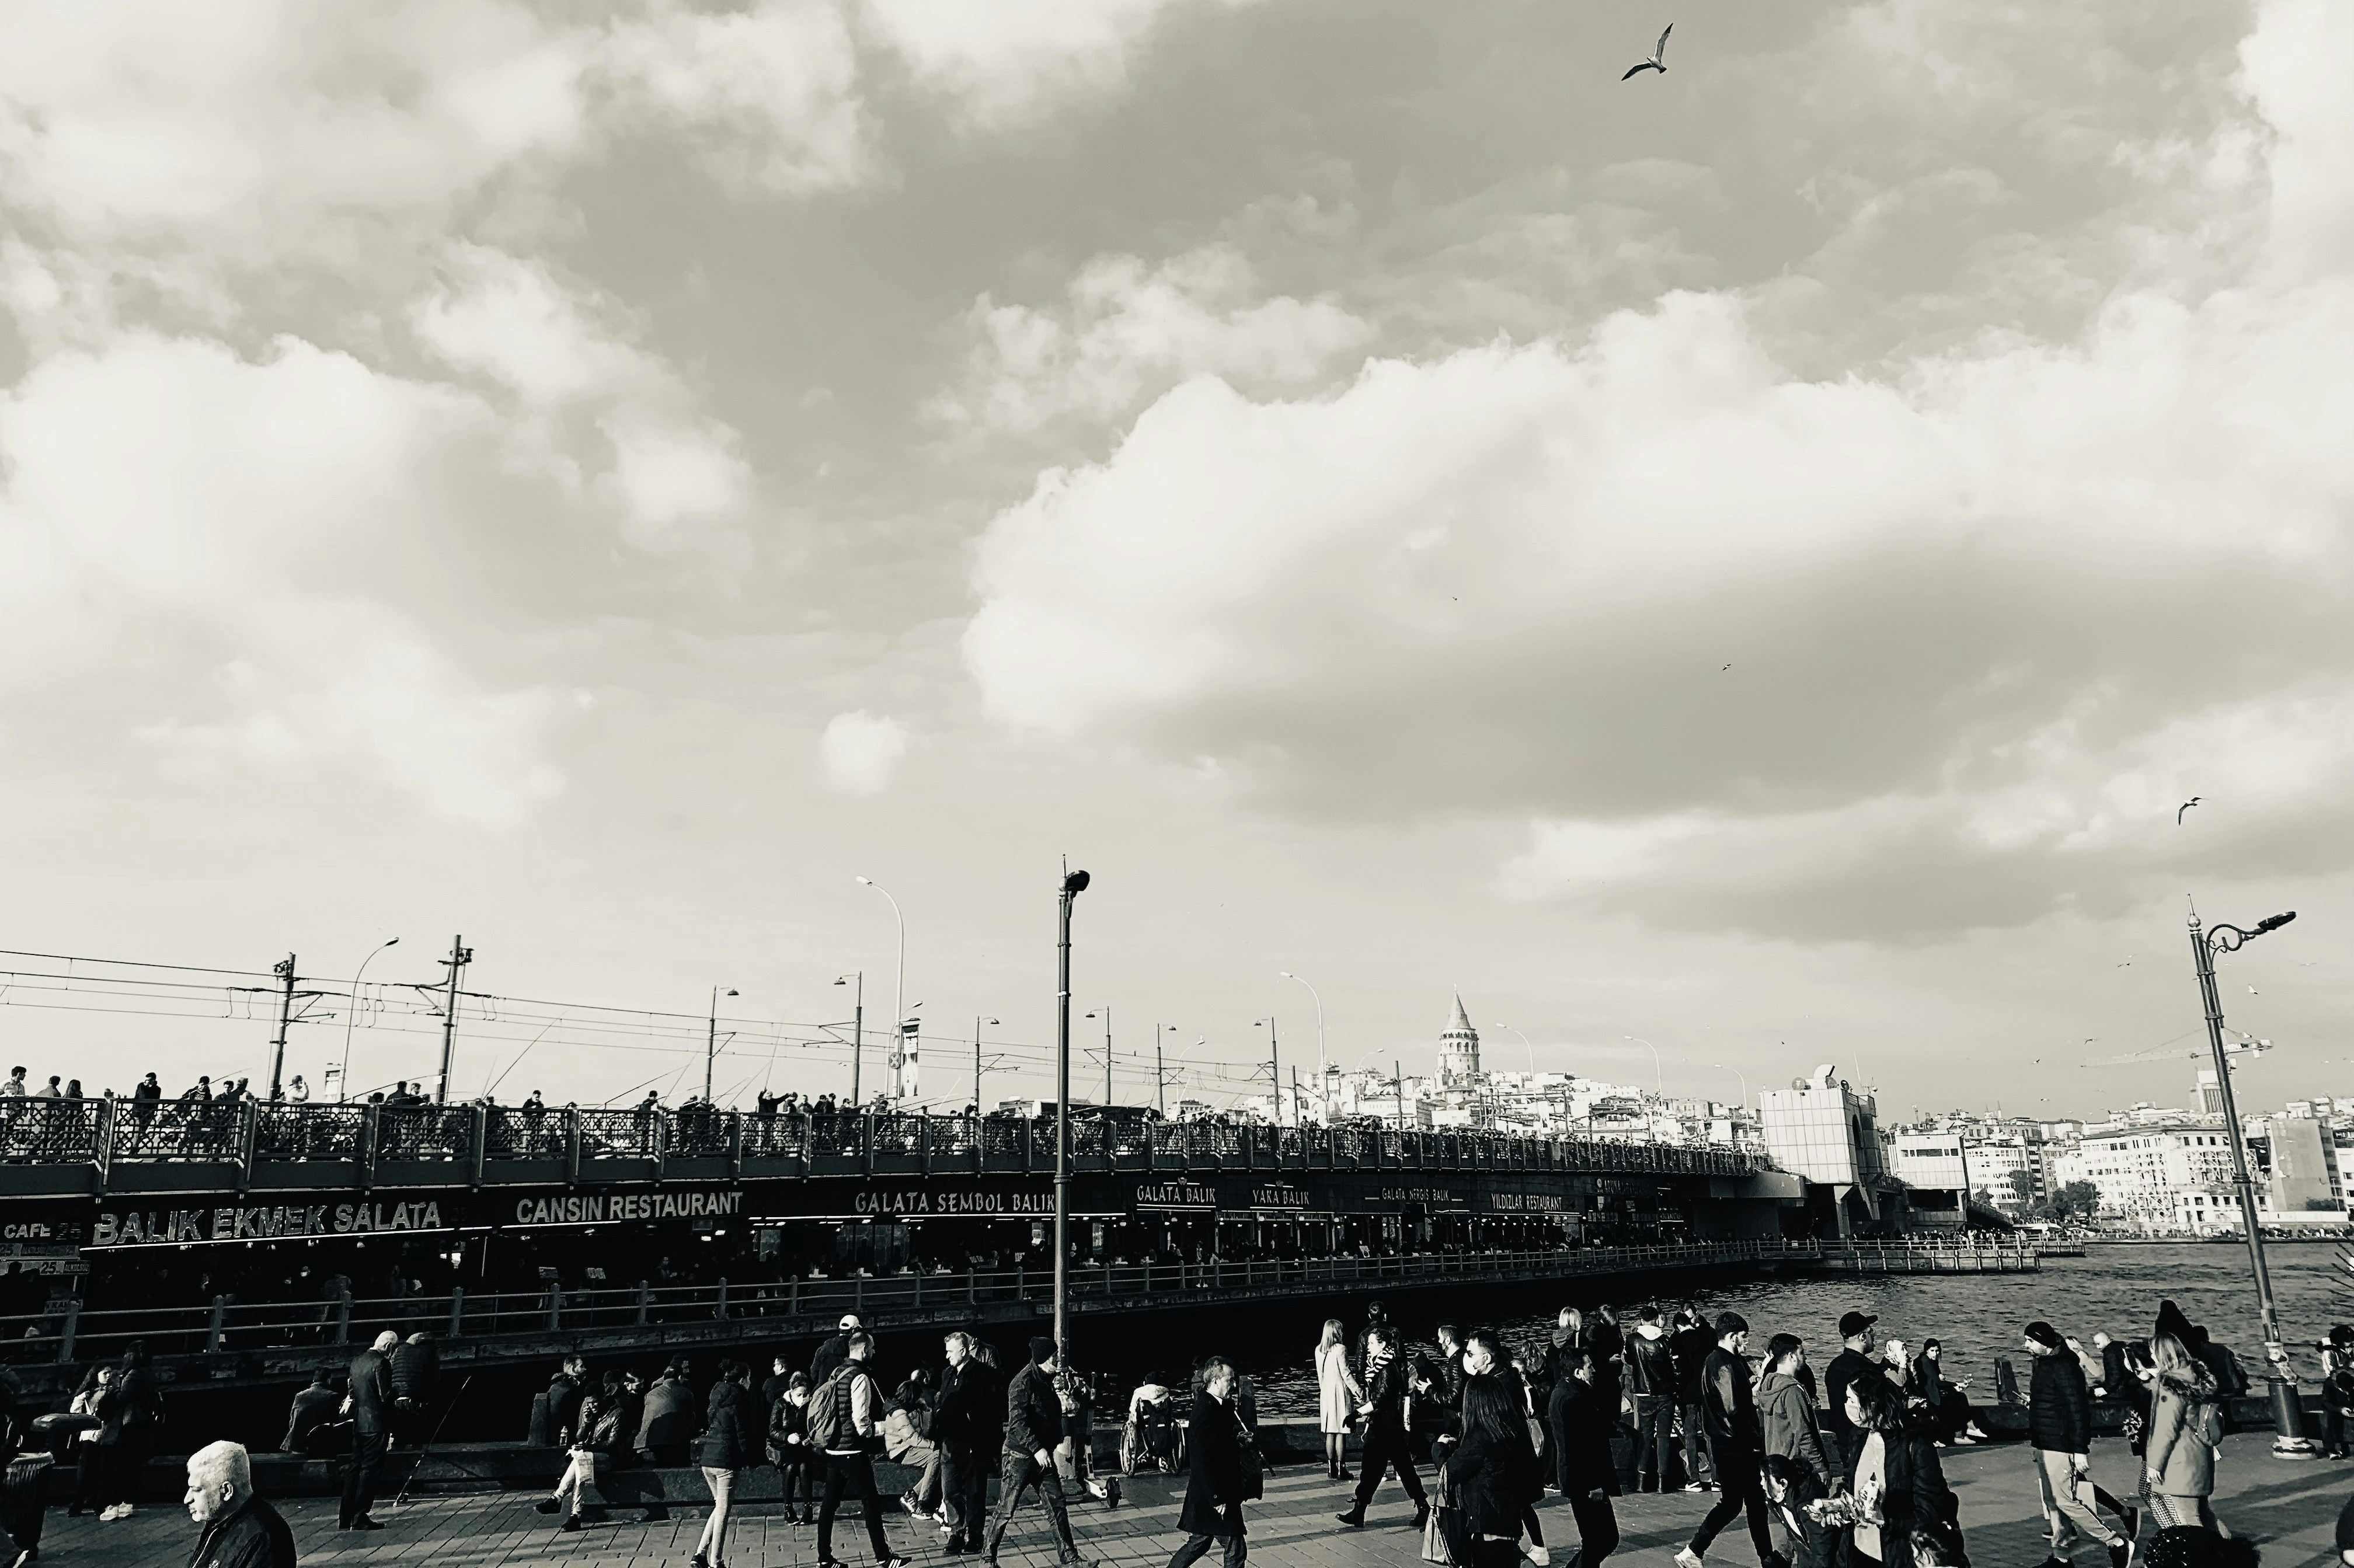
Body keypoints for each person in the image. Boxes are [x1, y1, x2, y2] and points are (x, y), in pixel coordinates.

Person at [1674, 1312, 1775, 1568]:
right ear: (1732, 1337)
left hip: (1726, 1444)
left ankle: (1697, 1550)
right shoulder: (1727, 1364)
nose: (1747, 1342)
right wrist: (1753, 1439)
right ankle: (1763, 1556)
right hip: (1737, 1445)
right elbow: (1733, 1408)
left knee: (1739, 1504)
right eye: (1744, 1337)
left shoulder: (1715, 1361)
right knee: (1746, 1503)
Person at [2025, 1320, 2129, 1568]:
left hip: (2060, 1444)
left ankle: (2115, 1542)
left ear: (2044, 1343)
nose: (2025, 1345)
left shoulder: (2064, 1367)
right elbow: (2055, 1403)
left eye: (2030, 1340)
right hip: (2044, 1442)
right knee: (2053, 1503)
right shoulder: (2044, 1364)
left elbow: (2078, 1410)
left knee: (2065, 1501)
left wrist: (2080, 1449)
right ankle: (2061, 1557)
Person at [986, 1336, 1094, 1568]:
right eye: (1054, 1356)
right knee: (1005, 1511)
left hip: (1043, 1457)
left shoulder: (1048, 1378)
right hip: (1021, 1458)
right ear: (1043, 1359)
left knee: (1057, 1507)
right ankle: (988, 1559)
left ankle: (1071, 1559)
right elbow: (1017, 1423)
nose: (1059, 1359)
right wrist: (1037, 1449)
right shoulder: (1022, 1382)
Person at [1843, 1372, 1966, 1568]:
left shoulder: (1915, 1446)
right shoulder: (1860, 1437)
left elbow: (1929, 1513)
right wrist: (1837, 1507)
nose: (1846, 1406)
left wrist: (1887, 1520)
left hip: (1899, 1555)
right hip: (1859, 1551)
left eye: (1851, 1400)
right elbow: (1850, 1483)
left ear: (1872, 1405)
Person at [813, 1330, 905, 1568]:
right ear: (864, 1350)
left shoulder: (837, 1372)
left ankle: (824, 1558)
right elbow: (860, 1421)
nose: (874, 1353)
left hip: (833, 1448)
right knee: (871, 1502)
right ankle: (883, 1557)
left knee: (829, 1504)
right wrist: (884, 1428)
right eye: (872, 1349)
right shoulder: (860, 1377)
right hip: (852, 1450)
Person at [1446, 1363, 1542, 1568]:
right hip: (1510, 1520)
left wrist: (1439, 1450)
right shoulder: (1512, 1431)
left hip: (1486, 1522)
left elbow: (1451, 1471)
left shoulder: (1479, 1437)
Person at [1336, 1323, 1427, 1528]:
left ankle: (1423, 1507)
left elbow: (1380, 1399)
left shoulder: (1387, 1368)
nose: (1367, 1346)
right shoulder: (1379, 1365)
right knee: (1372, 1468)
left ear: (1383, 1344)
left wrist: (1356, 1413)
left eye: (1371, 1343)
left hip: (1388, 1426)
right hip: (1381, 1424)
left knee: (1401, 1468)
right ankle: (1359, 1511)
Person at [1168, 1356, 1252, 1568]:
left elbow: (1219, 1446)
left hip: (1212, 1490)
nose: (1233, 1385)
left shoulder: (1220, 1405)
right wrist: (1217, 1497)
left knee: (1200, 1542)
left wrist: (1238, 1441)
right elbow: (1201, 1458)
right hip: (1214, 1492)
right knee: (1235, 1547)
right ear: (1215, 1381)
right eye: (1229, 1380)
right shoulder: (1205, 1410)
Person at [2142, 1332, 2224, 1534]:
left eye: (2153, 1352)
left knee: (2189, 1518)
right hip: (2199, 1453)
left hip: (2181, 1459)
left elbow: (2165, 1429)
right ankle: (2231, 1552)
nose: (2151, 1357)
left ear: (2162, 1355)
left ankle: (2204, 1559)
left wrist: (2154, 1464)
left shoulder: (2171, 1387)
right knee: (2204, 1514)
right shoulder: (2193, 1376)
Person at [1551, 1344, 1621, 1568]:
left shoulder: (1566, 1392)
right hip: (1586, 1482)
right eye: (1589, 1366)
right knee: (1602, 1539)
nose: (1594, 1370)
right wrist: (1595, 1484)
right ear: (1579, 1372)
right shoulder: (1574, 1399)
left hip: (1578, 1478)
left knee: (1596, 1539)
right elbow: (1581, 1447)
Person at [182, 1440, 296, 1568]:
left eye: (197, 1490)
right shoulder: (220, 1521)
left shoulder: (263, 1538)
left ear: (227, 1491)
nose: (187, 1499)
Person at [694, 1360, 760, 1568]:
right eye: (749, 1378)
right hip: (726, 1460)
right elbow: (742, 1433)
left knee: (719, 1507)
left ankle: (700, 1555)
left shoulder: (717, 1395)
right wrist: (750, 1457)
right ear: (743, 1379)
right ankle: (716, 1562)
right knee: (723, 1511)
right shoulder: (740, 1399)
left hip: (708, 1459)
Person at [342, 1328, 398, 1531]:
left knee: (354, 1468)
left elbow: (352, 1392)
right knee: (370, 1471)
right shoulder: (382, 1364)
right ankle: (360, 1515)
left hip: (359, 1423)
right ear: (390, 1347)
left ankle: (345, 1515)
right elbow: (385, 1396)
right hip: (377, 1424)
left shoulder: (357, 1361)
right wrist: (398, 1391)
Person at [1757, 1334, 1832, 1488]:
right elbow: (1803, 1432)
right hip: (1794, 1465)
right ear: (1792, 1357)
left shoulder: (1768, 1385)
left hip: (1775, 1460)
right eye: (1802, 1353)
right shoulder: (1792, 1391)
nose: (1805, 1358)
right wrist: (1819, 1466)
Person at [936, 1334, 988, 1552]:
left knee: (974, 1491)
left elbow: (987, 1408)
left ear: (964, 1351)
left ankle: (975, 1534)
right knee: (950, 1490)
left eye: (951, 1351)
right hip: (949, 1442)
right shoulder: (947, 1373)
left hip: (971, 1442)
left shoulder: (981, 1374)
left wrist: (967, 1418)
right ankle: (957, 1532)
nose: (947, 1356)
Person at [1624, 1304, 1678, 1493]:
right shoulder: (1666, 1340)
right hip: (1666, 1394)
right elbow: (1676, 1368)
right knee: (1663, 1437)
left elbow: (1629, 1360)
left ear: (1641, 1319)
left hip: (1643, 1393)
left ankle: (1641, 1480)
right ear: (1657, 1320)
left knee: (1645, 1437)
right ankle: (1663, 1481)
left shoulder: (1632, 1340)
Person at [1824, 1311, 1881, 1478]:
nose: (1874, 1335)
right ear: (1862, 1338)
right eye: (1870, 1332)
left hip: (1843, 1441)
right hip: (1867, 1441)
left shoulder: (1834, 1367)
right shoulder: (1868, 1371)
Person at [1672, 1306, 1719, 1492]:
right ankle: (1717, 1479)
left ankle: (1694, 1479)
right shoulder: (1707, 1336)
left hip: (1688, 1394)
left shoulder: (1677, 1340)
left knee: (1690, 1436)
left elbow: (1678, 1369)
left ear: (1677, 1326)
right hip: (1706, 1392)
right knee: (1710, 1435)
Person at [1761, 1454, 1833, 1568]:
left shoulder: (1807, 1507)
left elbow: (1823, 1549)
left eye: (1765, 1479)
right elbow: (1795, 1532)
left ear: (1783, 1483)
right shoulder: (1777, 1501)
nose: (1761, 1484)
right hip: (1807, 1552)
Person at [1316, 1319, 1361, 1481]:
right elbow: (1346, 1374)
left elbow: (1320, 1376)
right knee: (1342, 1431)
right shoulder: (1341, 1349)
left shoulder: (1318, 1350)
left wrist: (1324, 1391)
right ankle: (1342, 1468)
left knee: (1330, 1431)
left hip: (1326, 1392)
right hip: (1340, 1392)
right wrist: (1358, 1391)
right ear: (1336, 1332)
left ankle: (1331, 1468)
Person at [1912, 1339, 1981, 1447]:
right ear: (1927, 1351)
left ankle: (1966, 1430)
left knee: (1960, 1398)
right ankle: (1964, 1431)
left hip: (1935, 1392)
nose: (1936, 1354)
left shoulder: (1932, 1360)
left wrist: (1955, 1386)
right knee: (1959, 1400)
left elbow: (1938, 1380)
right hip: (1930, 1396)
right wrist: (1957, 1384)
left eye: (1937, 1351)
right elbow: (1938, 1381)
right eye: (1933, 1351)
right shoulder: (1925, 1361)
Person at [769, 1371, 816, 1527]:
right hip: (785, 1448)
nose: (803, 1398)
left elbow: (815, 1426)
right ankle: (788, 1509)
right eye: (799, 1394)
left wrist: (809, 1437)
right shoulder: (781, 1404)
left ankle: (808, 1508)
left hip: (804, 1447)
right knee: (789, 1467)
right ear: (792, 1392)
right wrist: (788, 1437)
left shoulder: (811, 1405)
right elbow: (773, 1430)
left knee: (804, 1467)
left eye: (805, 1394)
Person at [638, 1361, 699, 1466]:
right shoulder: (685, 1392)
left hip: (649, 1441)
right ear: (680, 1377)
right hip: (675, 1441)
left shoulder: (651, 1394)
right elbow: (692, 1414)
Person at [391, 1330, 438, 1446]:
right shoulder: (431, 1351)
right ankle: (416, 1453)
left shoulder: (400, 1349)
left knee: (398, 1431)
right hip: (416, 1397)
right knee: (418, 1432)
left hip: (397, 1395)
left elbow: (391, 1367)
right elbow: (435, 1377)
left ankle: (398, 1456)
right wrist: (429, 1396)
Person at [281, 1368, 341, 1455]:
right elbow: (335, 1423)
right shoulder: (332, 1396)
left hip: (298, 1447)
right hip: (320, 1446)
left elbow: (292, 1422)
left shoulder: (299, 1396)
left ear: (313, 1380)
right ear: (329, 1380)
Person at [2320, 1326, 2354, 1462]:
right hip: (2336, 1383)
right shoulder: (2329, 1353)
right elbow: (2330, 1371)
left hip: (2348, 1380)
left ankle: (2345, 1446)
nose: (2351, 1346)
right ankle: (2331, 1449)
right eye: (2348, 1343)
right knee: (2330, 1417)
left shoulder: (2349, 1351)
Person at [546, 1356, 588, 1449]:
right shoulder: (570, 1392)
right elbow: (573, 1420)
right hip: (565, 1441)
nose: (585, 1369)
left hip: (554, 1438)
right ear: (572, 1369)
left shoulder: (556, 1386)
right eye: (582, 1366)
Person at [814, 1314, 865, 1386]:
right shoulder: (855, 1349)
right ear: (854, 1331)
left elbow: (814, 1375)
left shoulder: (823, 1349)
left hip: (825, 1393)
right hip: (845, 1391)